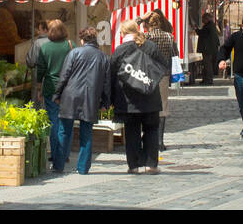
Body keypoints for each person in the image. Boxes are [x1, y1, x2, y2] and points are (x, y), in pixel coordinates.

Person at [51, 26, 110, 174]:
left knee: (64, 131)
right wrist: (105, 102)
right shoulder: (103, 57)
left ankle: (58, 165)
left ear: (82, 40)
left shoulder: (74, 53)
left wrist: (56, 95)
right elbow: (106, 83)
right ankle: (83, 168)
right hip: (91, 98)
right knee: (86, 132)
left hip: (70, 96)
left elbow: (64, 76)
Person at [110, 19, 166, 173]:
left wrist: (111, 99)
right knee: (151, 130)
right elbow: (163, 67)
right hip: (150, 97)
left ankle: (134, 166)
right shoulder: (150, 46)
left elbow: (112, 76)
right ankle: (151, 165)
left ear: (123, 33)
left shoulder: (120, 50)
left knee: (132, 132)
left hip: (128, 100)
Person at [35, 19, 74, 171]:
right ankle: (64, 154)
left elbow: (40, 70)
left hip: (51, 88)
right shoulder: (71, 45)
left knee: (54, 121)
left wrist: (39, 89)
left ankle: (56, 153)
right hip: (68, 88)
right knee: (66, 122)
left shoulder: (45, 48)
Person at [142, 10, 177, 150]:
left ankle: (147, 139)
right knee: (162, 107)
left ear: (147, 24)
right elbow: (176, 54)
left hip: (147, 75)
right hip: (163, 75)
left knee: (146, 107)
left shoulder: (145, 37)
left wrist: (140, 19)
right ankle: (159, 142)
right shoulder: (169, 37)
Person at [27, 20, 51, 105]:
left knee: (38, 101)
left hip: (39, 77)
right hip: (52, 78)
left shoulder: (38, 43)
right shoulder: (56, 42)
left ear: (45, 30)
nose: (38, 32)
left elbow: (31, 62)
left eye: (40, 30)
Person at [195, 12, 220, 85]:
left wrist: (196, 29)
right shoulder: (211, 25)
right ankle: (206, 79)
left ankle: (208, 80)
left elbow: (202, 33)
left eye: (203, 18)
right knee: (207, 64)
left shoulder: (208, 26)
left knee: (207, 64)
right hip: (210, 49)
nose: (202, 20)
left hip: (207, 49)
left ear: (207, 18)